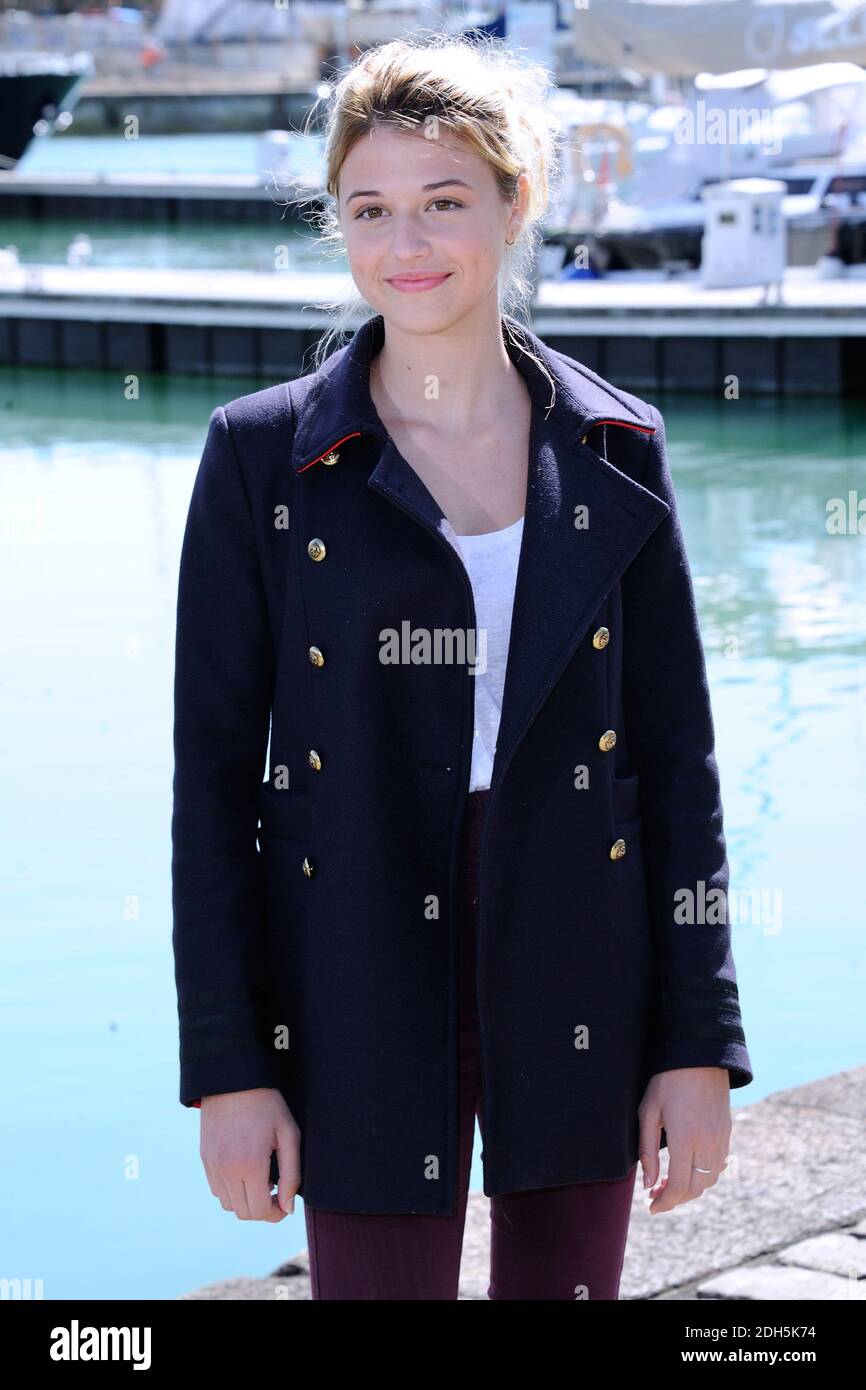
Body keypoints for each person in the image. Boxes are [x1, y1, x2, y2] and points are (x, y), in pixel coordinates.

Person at [171, 32, 753, 1301]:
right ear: (338, 224)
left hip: (577, 957)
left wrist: (696, 1043)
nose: (405, 243)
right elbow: (212, 787)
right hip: (350, 967)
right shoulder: (260, 461)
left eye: (443, 201)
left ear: (513, 202)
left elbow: (677, 765)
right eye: (368, 209)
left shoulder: (615, 449)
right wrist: (230, 1067)